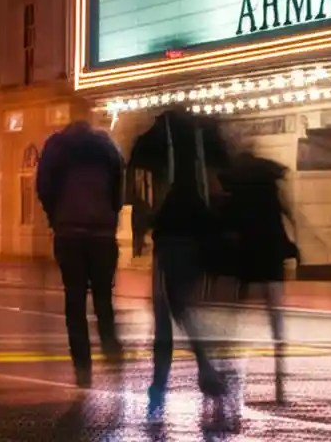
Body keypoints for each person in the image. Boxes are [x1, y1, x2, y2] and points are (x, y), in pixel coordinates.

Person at [128, 109, 233, 424]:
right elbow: (224, 178)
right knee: (185, 307)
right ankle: (204, 369)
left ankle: (162, 384)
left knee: (167, 311)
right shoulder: (205, 135)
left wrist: (147, 218)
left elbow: (134, 168)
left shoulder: (158, 137)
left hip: (170, 237)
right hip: (198, 239)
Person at [36, 120, 126, 388]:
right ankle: (110, 346)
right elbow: (119, 188)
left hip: (69, 234)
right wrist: (111, 215)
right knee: (103, 297)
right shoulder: (107, 147)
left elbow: (44, 187)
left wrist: (56, 217)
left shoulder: (57, 147)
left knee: (74, 301)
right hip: (101, 233)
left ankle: (83, 367)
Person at [219, 148, 298, 405]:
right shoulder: (270, 192)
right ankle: (280, 367)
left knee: (235, 313)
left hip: (246, 260)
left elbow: (227, 225)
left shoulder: (237, 194)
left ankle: (226, 359)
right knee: (275, 313)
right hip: (272, 260)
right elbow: (283, 220)